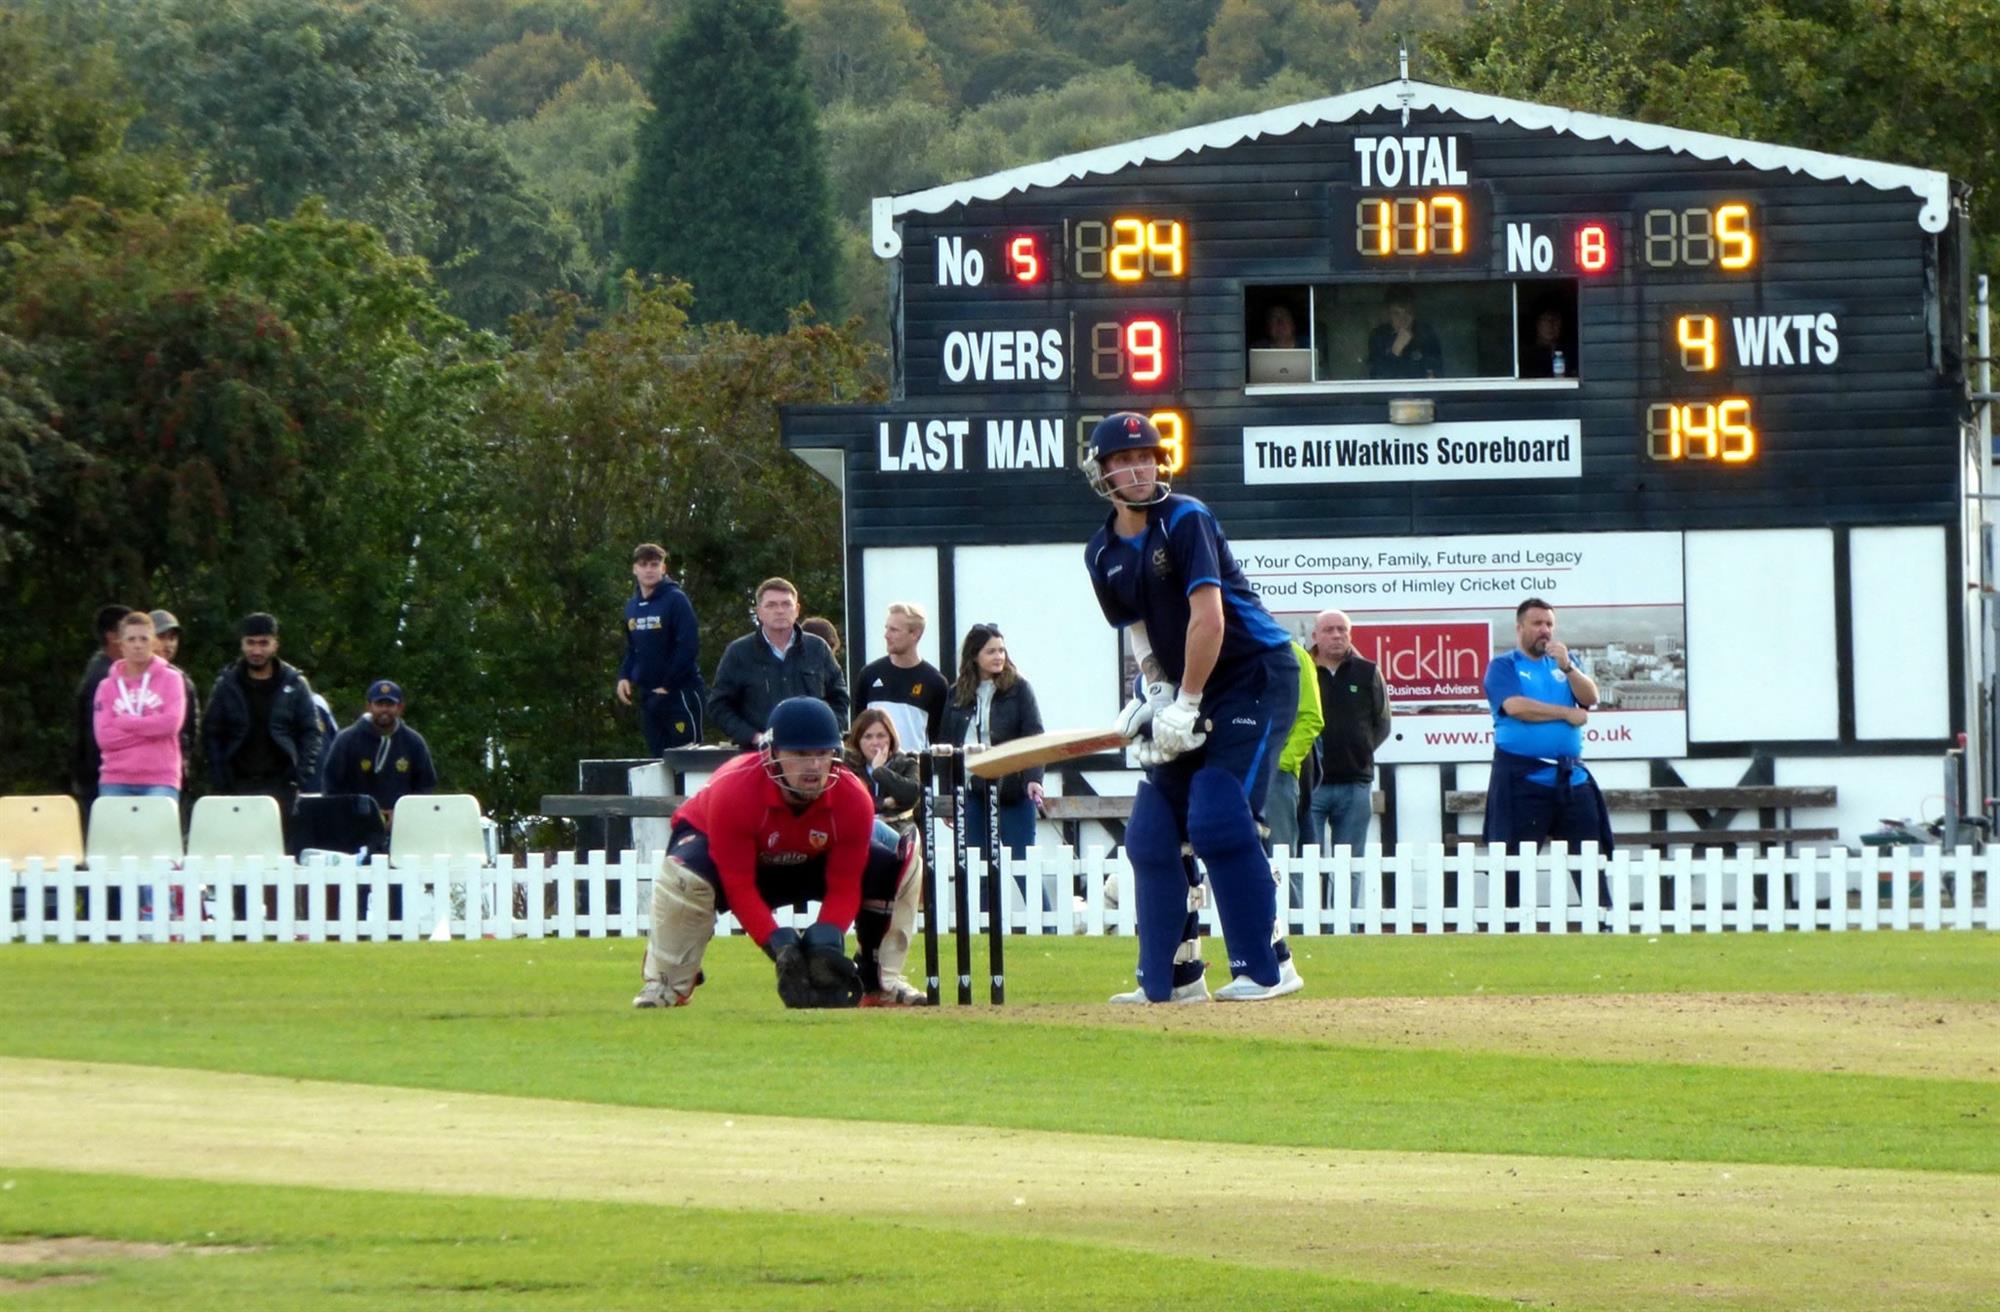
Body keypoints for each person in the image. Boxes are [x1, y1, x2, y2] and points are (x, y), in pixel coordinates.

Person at [1082, 412, 1303, 1004]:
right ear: (1102, 473)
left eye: (1146, 458)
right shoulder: (1101, 551)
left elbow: (1209, 619)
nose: (1138, 469)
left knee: (1218, 814)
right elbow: (1137, 629)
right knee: (1153, 831)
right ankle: (1175, 979)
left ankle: (1270, 966)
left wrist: (1186, 702)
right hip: (1189, 683)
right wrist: (1155, 691)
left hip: (1253, 673)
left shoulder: (1185, 517)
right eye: (1124, 460)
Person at [633, 697, 928, 1009]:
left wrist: (826, 941)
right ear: (772, 754)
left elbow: (845, 884)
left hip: (808, 859)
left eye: (822, 753)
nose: (814, 766)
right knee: (686, 874)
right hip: (723, 856)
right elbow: (738, 885)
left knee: (893, 867)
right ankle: (667, 981)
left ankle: (879, 981)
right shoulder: (734, 792)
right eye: (800, 754)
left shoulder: (853, 797)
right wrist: (777, 945)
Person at [1481, 598, 1613, 908]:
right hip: (1523, 780)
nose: (1545, 630)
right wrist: (1566, 713)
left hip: (1571, 779)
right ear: (1520, 628)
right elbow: (1516, 707)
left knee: (1589, 860)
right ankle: (1513, 926)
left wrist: (1568, 667)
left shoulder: (1566, 664)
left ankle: (1601, 921)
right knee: (1515, 865)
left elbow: (1590, 697)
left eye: (1549, 624)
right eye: (1537, 623)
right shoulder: (1503, 666)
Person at [204, 612, 324, 834]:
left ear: (275, 644)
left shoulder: (295, 683)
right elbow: (211, 732)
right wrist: (220, 777)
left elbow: (311, 732)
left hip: (281, 785)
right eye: (250, 643)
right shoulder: (226, 684)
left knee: (279, 850)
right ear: (242, 644)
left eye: (263, 643)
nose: (256, 650)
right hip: (235, 785)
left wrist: (299, 775)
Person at [940, 623, 1044, 860]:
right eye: (991, 651)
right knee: (977, 867)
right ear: (974, 656)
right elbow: (948, 746)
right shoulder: (956, 694)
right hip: (971, 792)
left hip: (1012, 789)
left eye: (1001, 650)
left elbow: (1034, 736)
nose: (999, 656)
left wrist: (1034, 778)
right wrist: (947, 795)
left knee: (1023, 865)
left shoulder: (1019, 689)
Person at [708, 578, 849, 748]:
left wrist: (827, 732)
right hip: (759, 754)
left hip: (812, 753)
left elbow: (840, 697)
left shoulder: (818, 648)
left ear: (797, 610)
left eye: (786, 604)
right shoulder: (738, 653)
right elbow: (718, 706)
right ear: (759, 612)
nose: (780, 610)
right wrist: (753, 737)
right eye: (771, 605)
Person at [616, 543, 705, 754]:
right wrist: (624, 676)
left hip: (680, 693)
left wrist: (667, 684)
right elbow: (633, 648)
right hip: (649, 696)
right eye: (643, 564)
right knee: (658, 760)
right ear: (635, 569)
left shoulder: (676, 599)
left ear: (663, 568)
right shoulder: (632, 607)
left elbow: (688, 646)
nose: (649, 569)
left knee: (687, 760)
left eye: (654, 564)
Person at [91, 611, 187, 800]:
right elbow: (104, 738)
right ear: (121, 644)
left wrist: (126, 722)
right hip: (115, 777)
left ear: (153, 643)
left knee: (157, 820)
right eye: (131, 639)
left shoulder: (172, 679)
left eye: (144, 639)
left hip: (161, 778)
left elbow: (170, 724)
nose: (138, 645)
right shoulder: (106, 686)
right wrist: (151, 731)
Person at [317, 679, 438, 825]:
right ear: (369, 706)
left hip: (402, 826)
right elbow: (331, 787)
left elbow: (426, 786)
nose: (384, 710)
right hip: (354, 826)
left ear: (400, 707)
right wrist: (359, 814)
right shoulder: (346, 740)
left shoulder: (414, 742)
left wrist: (402, 813)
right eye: (379, 704)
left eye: (390, 705)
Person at [855, 602, 947, 752]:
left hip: (915, 765)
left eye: (894, 630)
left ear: (915, 634)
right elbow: (858, 728)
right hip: (872, 766)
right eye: (886, 628)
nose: (886, 635)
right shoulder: (869, 674)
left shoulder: (935, 682)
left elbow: (938, 738)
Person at [70, 603, 132, 806]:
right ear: (113, 637)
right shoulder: (103, 677)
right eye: (130, 634)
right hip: (103, 778)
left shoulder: (107, 668)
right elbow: (95, 735)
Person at [1265, 639, 1323, 854]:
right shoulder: (1227, 650)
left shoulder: (1293, 653)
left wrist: (1283, 763)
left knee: (1280, 855)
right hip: (1235, 770)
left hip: (1276, 773)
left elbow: (1311, 717)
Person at [149, 610, 202, 795]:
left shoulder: (181, 680)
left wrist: (182, 761)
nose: (169, 644)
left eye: (172, 638)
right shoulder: (125, 677)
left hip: (169, 773)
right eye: (161, 637)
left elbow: (189, 731)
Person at [1367, 291, 1443, 379]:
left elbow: (1435, 372)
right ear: (1388, 315)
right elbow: (1378, 377)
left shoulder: (1425, 334)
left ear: (1414, 314)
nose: (1402, 319)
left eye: (1408, 313)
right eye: (1396, 314)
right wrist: (1395, 351)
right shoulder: (1379, 337)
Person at [1521, 305, 1577, 378]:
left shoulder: (1570, 353)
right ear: (1536, 323)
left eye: (1556, 320)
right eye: (1545, 319)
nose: (1550, 324)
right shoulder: (1527, 357)